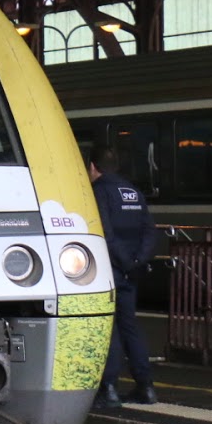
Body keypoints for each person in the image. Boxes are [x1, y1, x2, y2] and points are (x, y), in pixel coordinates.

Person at [89, 147, 158, 408]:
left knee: (111, 328)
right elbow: (150, 232)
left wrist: (124, 262)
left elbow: (105, 234)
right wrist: (138, 260)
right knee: (130, 325)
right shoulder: (133, 192)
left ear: (93, 167)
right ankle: (146, 386)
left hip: (112, 268)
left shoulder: (99, 192)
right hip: (132, 270)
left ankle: (108, 389)